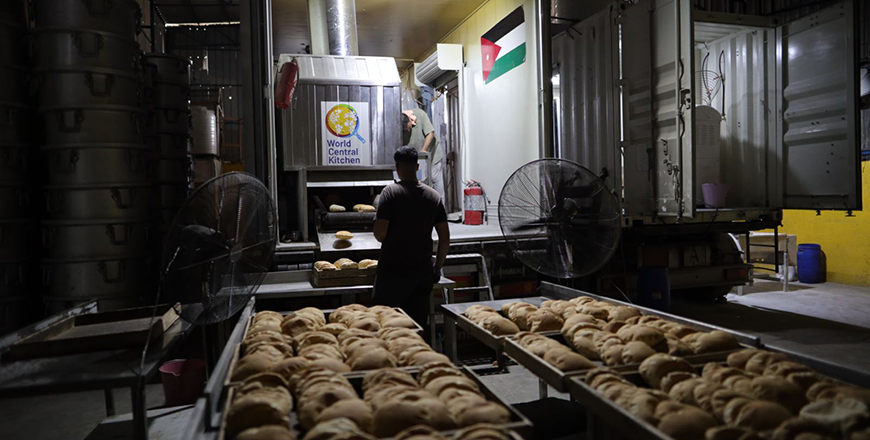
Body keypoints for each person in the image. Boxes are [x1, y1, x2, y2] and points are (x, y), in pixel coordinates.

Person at [373, 147, 449, 331]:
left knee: (388, 327)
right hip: (421, 274)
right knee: (416, 328)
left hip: (392, 274)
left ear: (397, 168)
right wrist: (437, 267)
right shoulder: (433, 196)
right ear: (417, 167)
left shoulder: (389, 193)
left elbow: (380, 234)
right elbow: (445, 237)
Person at [401, 108, 444, 201]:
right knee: (419, 183)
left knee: (435, 180)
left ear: (409, 121)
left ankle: (439, 206)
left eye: (408, 128)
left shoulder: (420, 114)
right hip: (415, 159)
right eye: (405, 131)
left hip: (432, 155)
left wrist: (423, 150)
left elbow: (430, 133)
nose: (407, 131)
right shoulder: (397, 124)